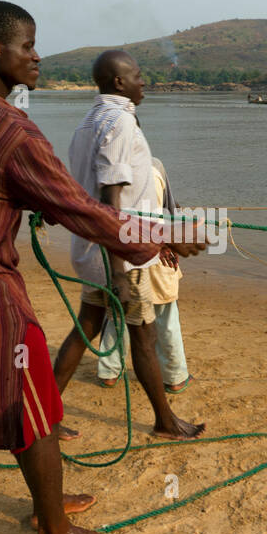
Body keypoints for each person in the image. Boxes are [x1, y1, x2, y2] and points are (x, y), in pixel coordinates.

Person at [0, 0, 204, 534]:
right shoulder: (9, 129)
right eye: (27, 46)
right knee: (35, 408)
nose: (37, 57)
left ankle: (46, 500)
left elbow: (9, 187)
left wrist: (36, 200)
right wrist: (164, 237)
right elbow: (89, 208)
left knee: (37, 394)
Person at [52, 50, 205, 441]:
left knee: (85, 330)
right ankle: (165, 421)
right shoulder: (119, 122)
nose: (144, 81)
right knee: (144, 335)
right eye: (138, 75)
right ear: (118, 82)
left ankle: (43, 417)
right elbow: (110, 196)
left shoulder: (88, 122)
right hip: (120, 256)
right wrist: (120, 266)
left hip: (93, 250)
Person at [96, 157, 190, 393]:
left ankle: (109, 371)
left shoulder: (108, 173)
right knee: (165, 315)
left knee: (119, 312)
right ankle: (174, 377)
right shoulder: (155, 165)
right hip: (155, 250)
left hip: (122, 253)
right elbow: (166, 211)